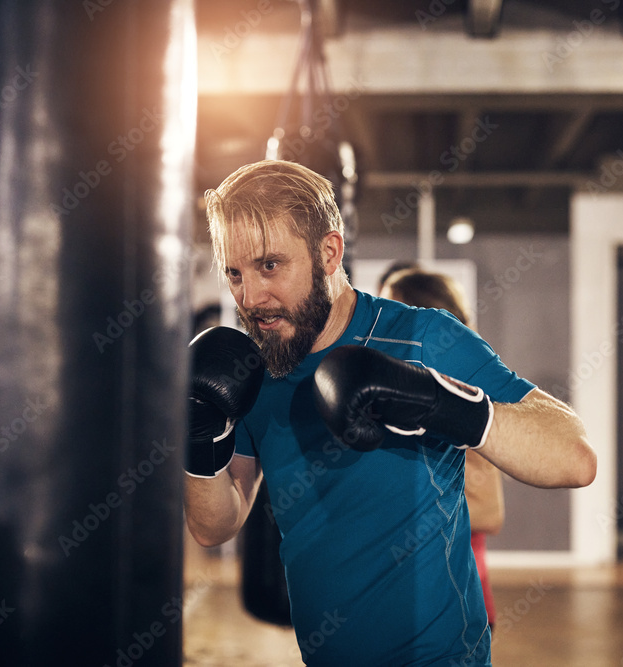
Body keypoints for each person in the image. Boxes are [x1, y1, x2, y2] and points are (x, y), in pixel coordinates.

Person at [183, 159, 596, 666]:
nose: (250, 297)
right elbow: (214, 525)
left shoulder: (421, 338)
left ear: (329, 252)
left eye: (270, 266)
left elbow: (575, 458)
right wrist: (200, 445)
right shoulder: (257, 366)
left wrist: (440, 401)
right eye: (234, 273)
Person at [378, 267, 505, 634]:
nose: (382, 324)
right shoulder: (389, 394)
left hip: (454, 602)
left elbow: (489, 513)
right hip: (396, 599)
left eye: (394, 312)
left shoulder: (463, 398)